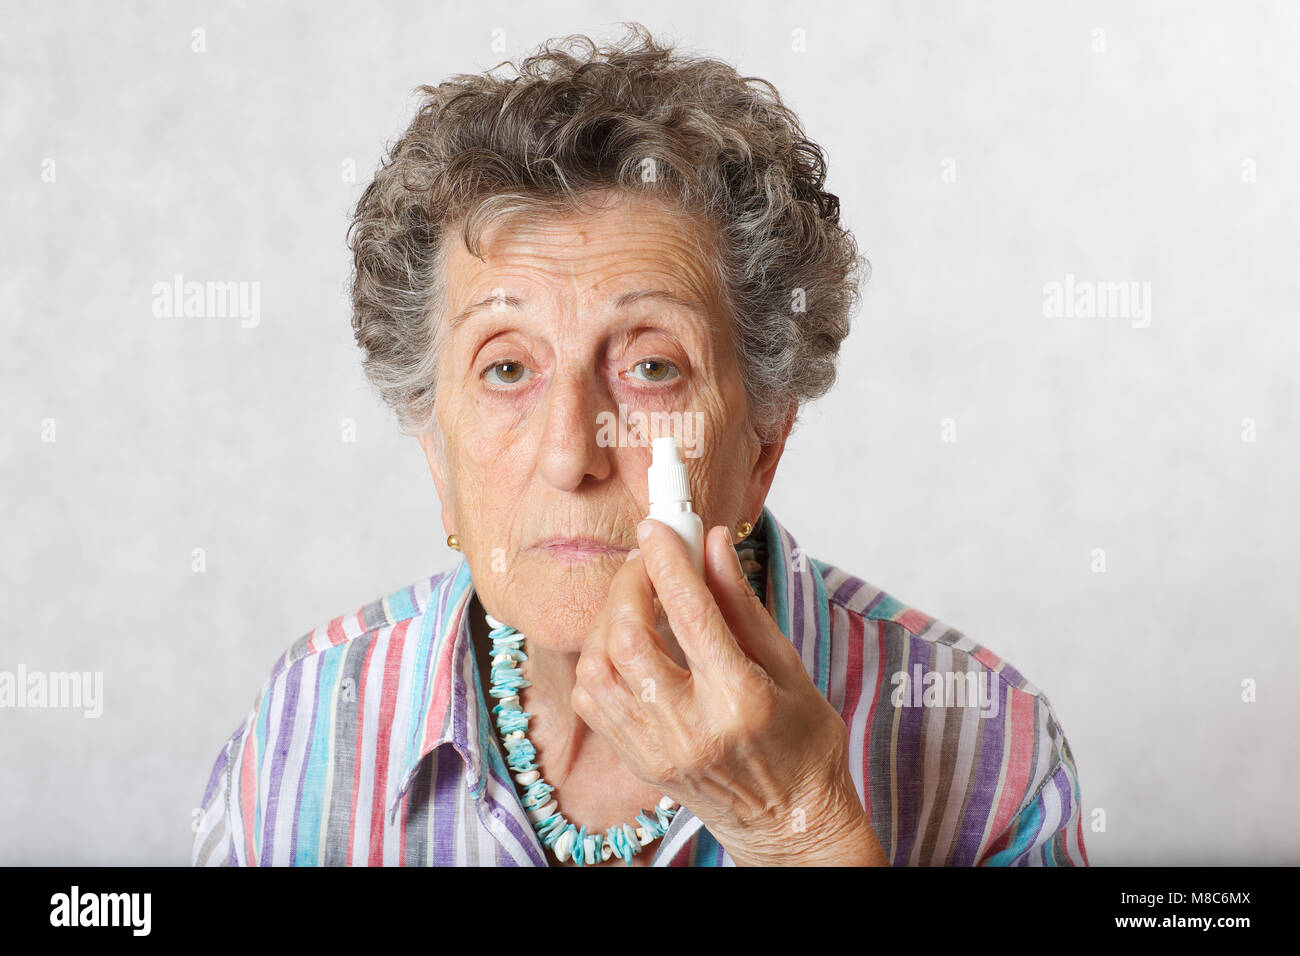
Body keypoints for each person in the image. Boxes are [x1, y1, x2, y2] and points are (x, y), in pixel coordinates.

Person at [192, 23, 1086, 867]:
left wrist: (799, 828)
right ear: (437, 452)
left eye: (652, 367)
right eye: (506, 371)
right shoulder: (305, 725)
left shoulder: (988, 746)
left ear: (763, 443)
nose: (569, 453)